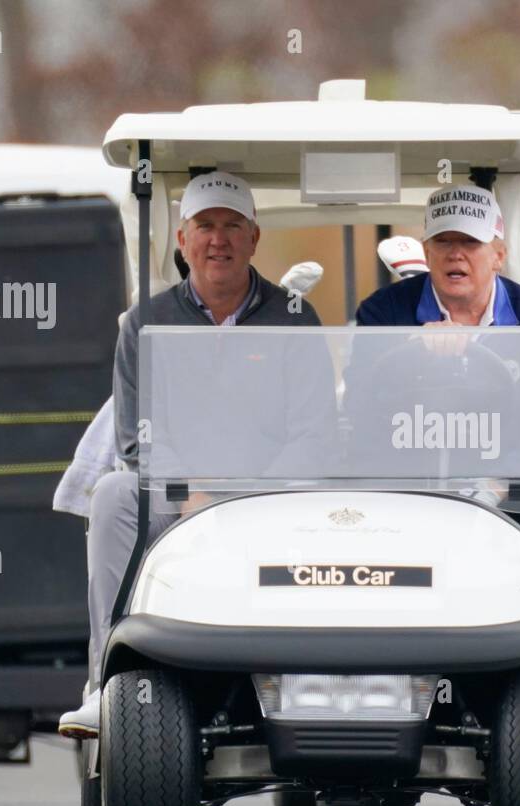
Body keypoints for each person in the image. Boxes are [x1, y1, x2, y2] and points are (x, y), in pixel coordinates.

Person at [59, 171, 326, 738]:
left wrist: (244, 498)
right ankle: (105, 683)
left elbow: (314, 433)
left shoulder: (295, 317)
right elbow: (136, 437)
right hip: (178, 498)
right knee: (112, 493)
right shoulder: (144, 323)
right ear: (182, 240)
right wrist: (192, 493)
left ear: (255, 238)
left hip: (272, 502)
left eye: (232, 226)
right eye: (205, 226)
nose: (218, 240)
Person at [353, 184, 520, 573]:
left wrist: (498, 482)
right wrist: (413, 355)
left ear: (498, 255)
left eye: (470, 241)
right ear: (426, 253)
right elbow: (362, 415)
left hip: (509, 482)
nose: (455, 253)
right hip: (410, 476)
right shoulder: (384, 313)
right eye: (443, 241)